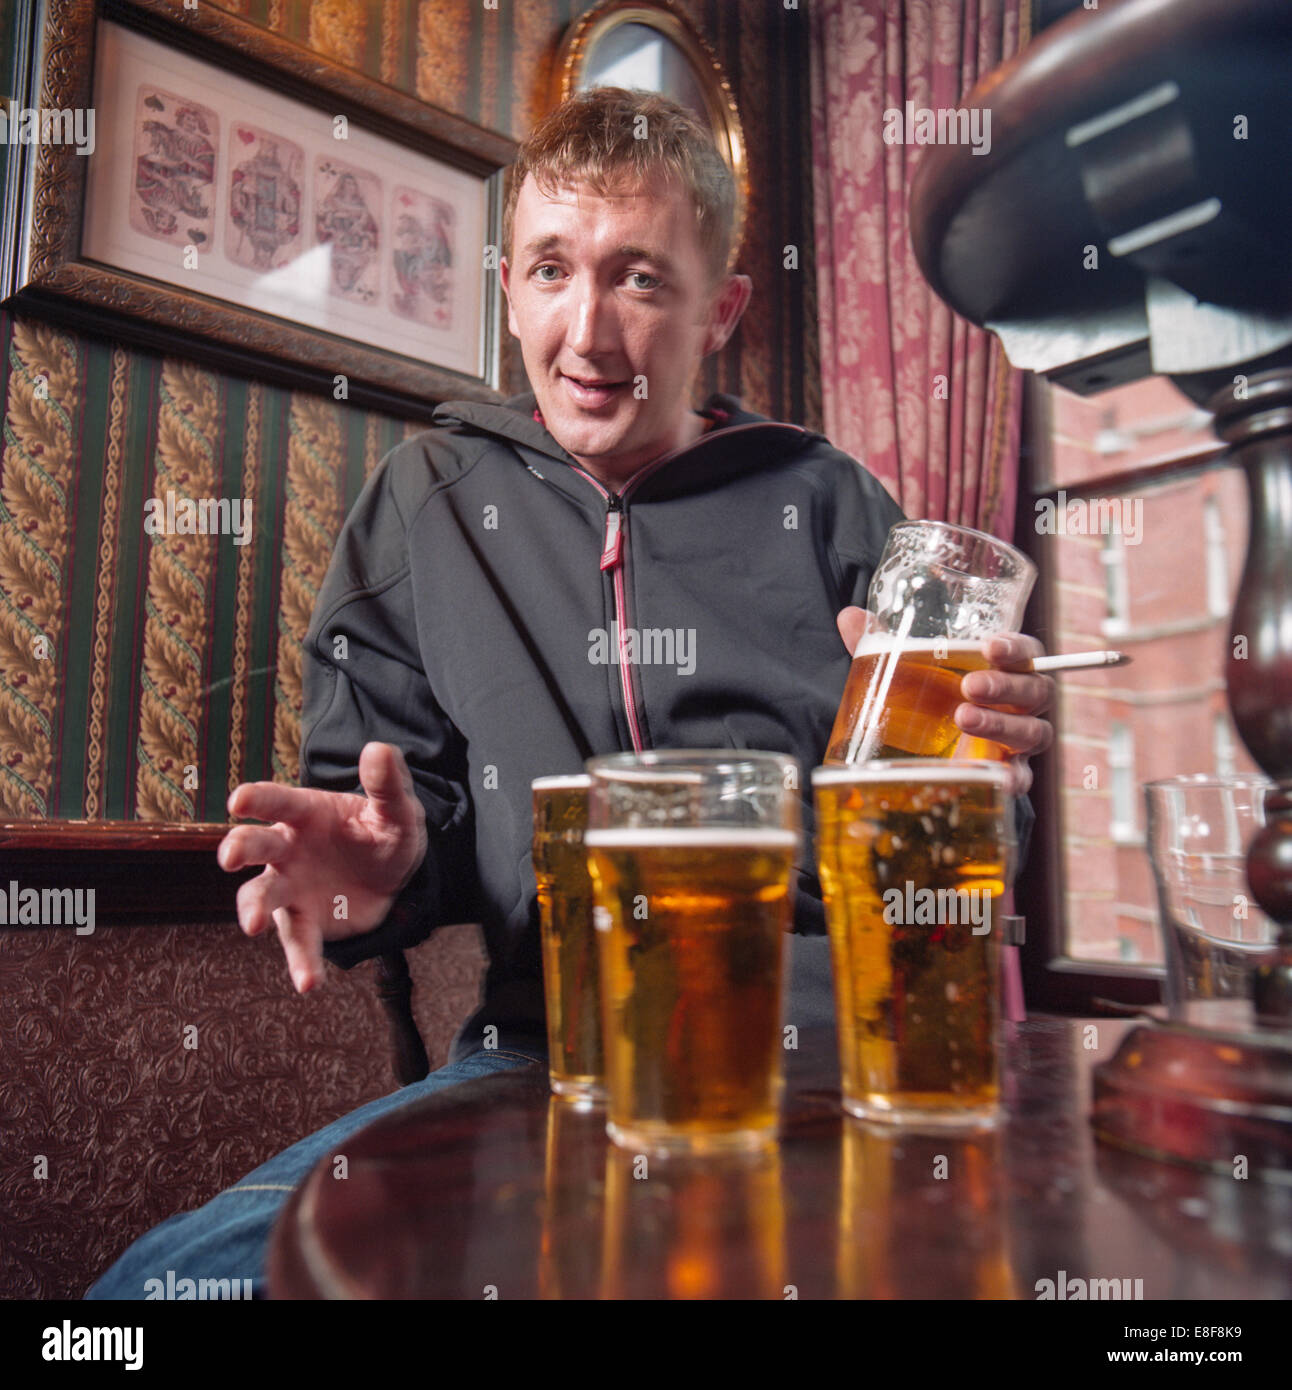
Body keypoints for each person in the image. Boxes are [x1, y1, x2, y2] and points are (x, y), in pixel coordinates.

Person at [87, 86, 1053, 1298]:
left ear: (721, 312)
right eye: (552, 270)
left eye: (640, 279)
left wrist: (981, 772)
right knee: (148, 1296)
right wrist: (378, 876)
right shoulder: (425, 502)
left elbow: (958, 854)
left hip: (835, 1061)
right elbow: (388, 822)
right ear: (508, 286)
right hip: (543, 1065)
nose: (587, 333)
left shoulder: (839, 505)